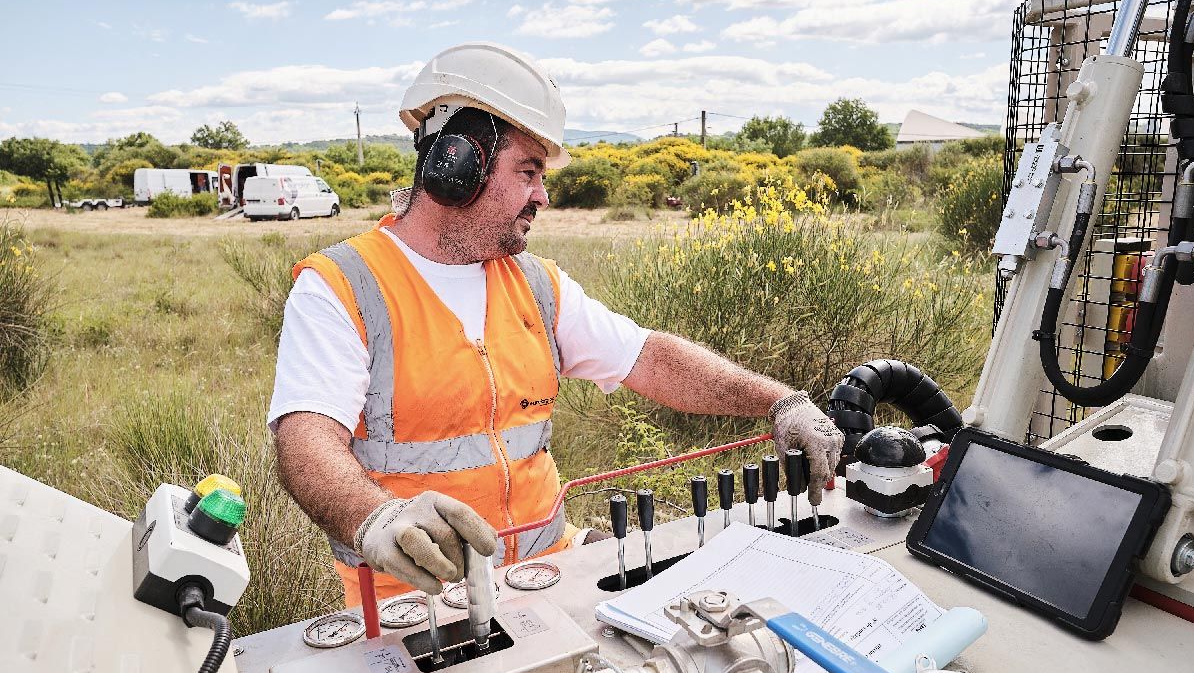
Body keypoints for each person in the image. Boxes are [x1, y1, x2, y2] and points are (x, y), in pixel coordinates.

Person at [269, 42, 844, 607]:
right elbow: (305, 439)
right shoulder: (340, 287)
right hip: (418, 607)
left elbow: (649, 358)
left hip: (550, 580)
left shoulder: (535, 283)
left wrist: (781, 402)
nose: (542, 195)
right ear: (458, 162)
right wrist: (378, 519)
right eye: (528, 171)